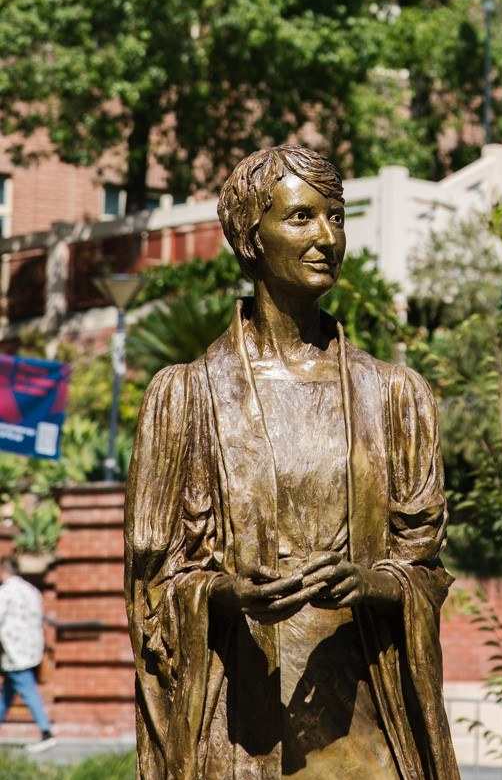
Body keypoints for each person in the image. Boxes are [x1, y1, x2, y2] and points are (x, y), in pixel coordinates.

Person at [125, 144, 459, 780]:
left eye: (336, 217)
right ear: (251, 238)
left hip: (364, 718)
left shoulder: (395, 396)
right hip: (239, 721)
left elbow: (426, 567)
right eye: (302, 217)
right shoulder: (187, 398)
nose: (327, 238)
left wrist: (376, 582)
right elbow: (153, 585)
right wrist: (224, 592)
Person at [0, 555, 54, 752]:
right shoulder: (32, 590)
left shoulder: (6, 592)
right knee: (7, 694)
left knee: (27, 689)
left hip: (13, 651)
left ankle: (46, 733)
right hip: (31, 649)